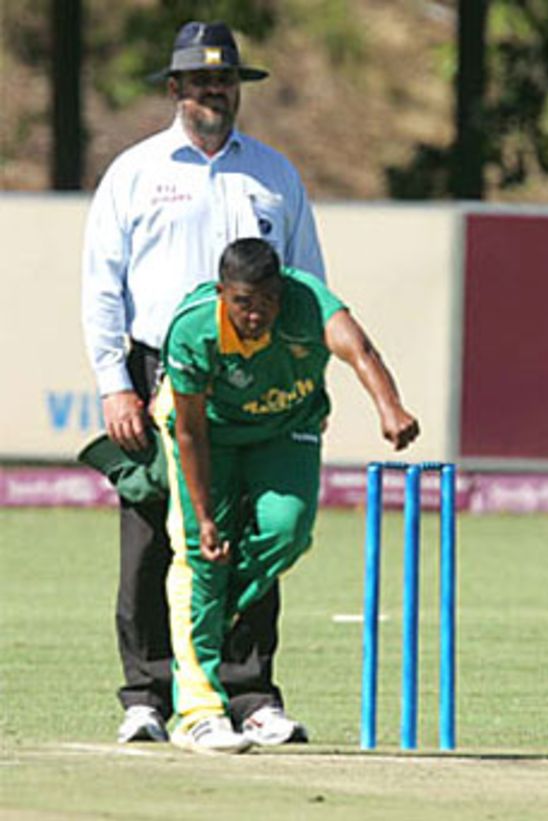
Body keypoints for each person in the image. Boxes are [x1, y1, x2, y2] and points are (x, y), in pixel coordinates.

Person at [81, 20, 325, 745]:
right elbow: (101, 285)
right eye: (200, 80)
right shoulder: (135, 171)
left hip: (252, 374)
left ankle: (249, 690)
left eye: (225, 79)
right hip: (160, 367)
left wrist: (301, 373)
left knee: (249, 532)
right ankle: (148, 693)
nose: (213, 90)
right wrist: (113, 382)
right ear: (175, 88)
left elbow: (308, 282)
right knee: (156, 534)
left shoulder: (274, 174)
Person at [157, 237, 420, 752]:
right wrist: (206, 516)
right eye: (244, 303)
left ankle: (219, 605)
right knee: (202, 555)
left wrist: (390, 408)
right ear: (222, 294)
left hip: (286, 428)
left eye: (268, 301)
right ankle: (197, 712)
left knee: (288, 531)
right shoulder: (192, 329)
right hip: (210, 435)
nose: (258, 314)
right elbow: (188, 432)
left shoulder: (307, 300)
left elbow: (359, 350)